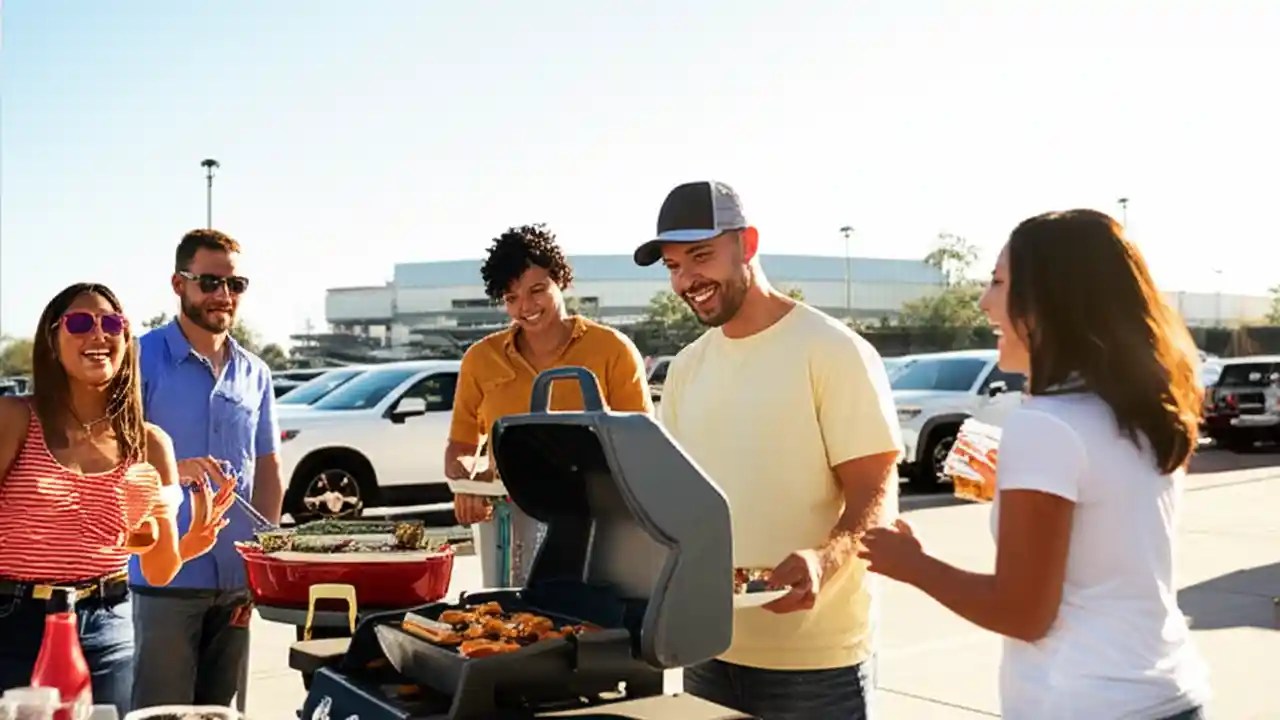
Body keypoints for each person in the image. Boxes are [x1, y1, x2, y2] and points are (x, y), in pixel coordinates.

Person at [859, 210, 1211, 720]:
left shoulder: (1046, 426)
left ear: (1051, 303)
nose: (984, 301)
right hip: (1169, 695)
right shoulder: (1141, 411)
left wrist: (912, 565)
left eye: (999, 282)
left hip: (1086, 704)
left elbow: (1023, 613)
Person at [635, 181, 901, 719]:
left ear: (748, 245)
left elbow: (875, 495)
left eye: (701, 256)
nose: (687, 280)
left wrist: (823, 561)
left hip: (815, 664)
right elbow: (677, 506)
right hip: (708, 647)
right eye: (673, 265)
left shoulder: (832, 350)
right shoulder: (686, 368)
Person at [0, 283, 233, 715]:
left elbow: (159, 569)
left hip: (107, 622)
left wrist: (182, 538)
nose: (98, 334)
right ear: (52, 340)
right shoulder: (14, 418)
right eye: (80, 323)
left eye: (112, 324)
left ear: (127, 340)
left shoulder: (150, 444)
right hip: (13, 621)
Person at [446, 224, 653, 587]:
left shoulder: (612, 350)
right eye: (511, 298)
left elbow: (643, 444)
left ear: (561, 280)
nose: (525, 307)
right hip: (509, 526)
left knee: (591, 625)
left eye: (537, 290)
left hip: (601, 522)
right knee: (511, 625)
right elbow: (461, 447)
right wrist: (466, 481)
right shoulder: (480, 360)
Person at [130, 229, 284, 710]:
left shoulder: (255, 371)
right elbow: (112, 458)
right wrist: (173, 468)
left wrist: (266, 561)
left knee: (224, 711)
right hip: (164, 578)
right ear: (179, 284)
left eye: (235, 285)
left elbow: (268, 465)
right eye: (210, 282)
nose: (223, 295)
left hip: (237, 581)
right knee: (161, 712)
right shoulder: (138, 359)